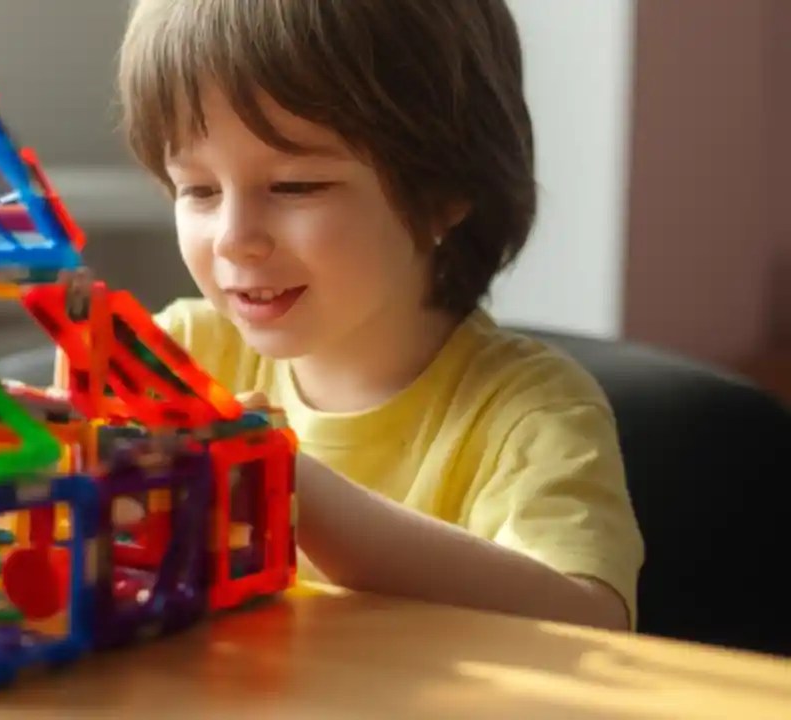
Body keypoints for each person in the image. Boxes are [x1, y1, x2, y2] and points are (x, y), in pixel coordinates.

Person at [113, 0, 645, 631]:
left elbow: (589, 625)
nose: (234, 238)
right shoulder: (172, 357)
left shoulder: (530, 411)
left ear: (444, 191)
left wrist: (281, 483)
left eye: (295, 187)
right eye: (198, 190)